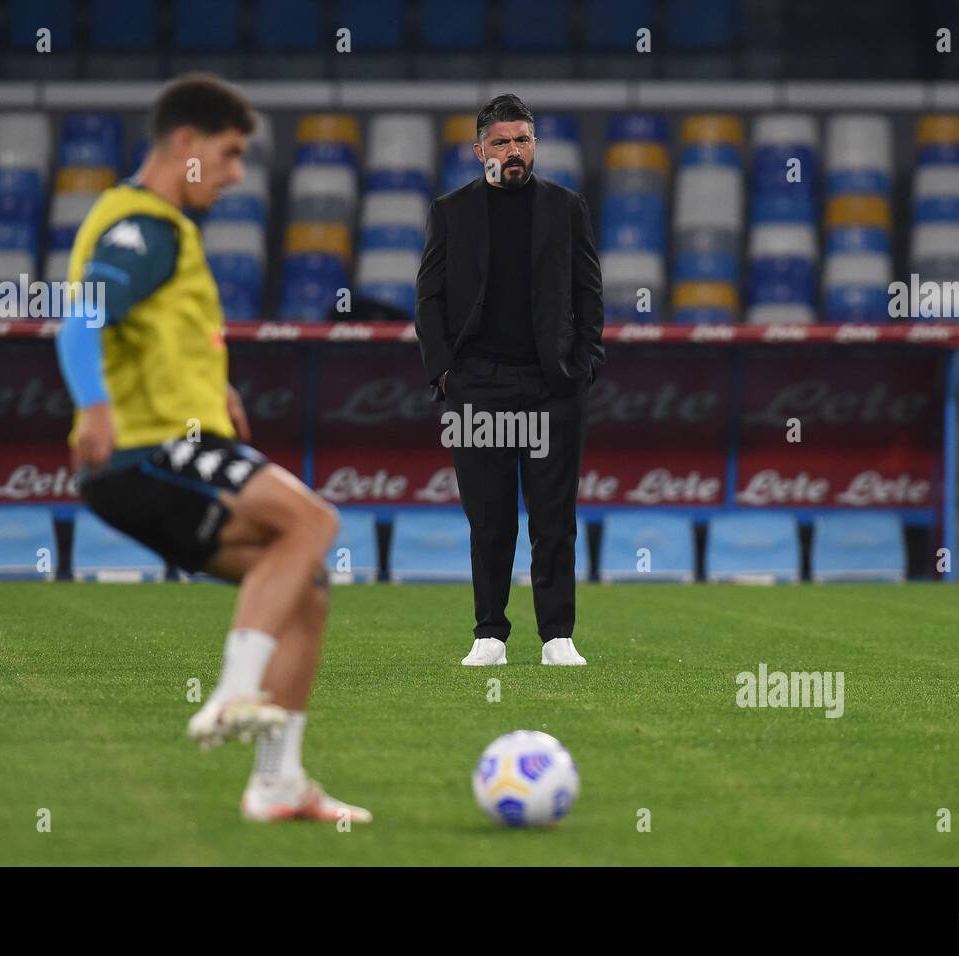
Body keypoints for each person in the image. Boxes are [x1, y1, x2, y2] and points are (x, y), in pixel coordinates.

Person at [54, 73, 370, 823]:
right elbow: (81, 320)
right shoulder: (146, 228)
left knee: (306, 585)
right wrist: (93, 405)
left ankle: (278, 784)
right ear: (187, 145)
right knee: (314, 522)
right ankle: (235, 691)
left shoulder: (155, 228)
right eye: (229, 155)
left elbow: (156, 339)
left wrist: (215, 391)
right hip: (150, 450)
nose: (234, 175)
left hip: (160, 452)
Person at [415, 94, 605, 667]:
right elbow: (429, 299)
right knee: (489, 517)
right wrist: (446, 373)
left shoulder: (566, 207)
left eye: (522, 140)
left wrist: (584, 363)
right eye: (501, 142)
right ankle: (489, 634)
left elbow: (589, 292)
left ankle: (558, 637)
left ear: (534, 146)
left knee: (554, 518)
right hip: (478, 385)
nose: (513, 151)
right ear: (479, 151)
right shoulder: (450, 211)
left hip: (553, 385)